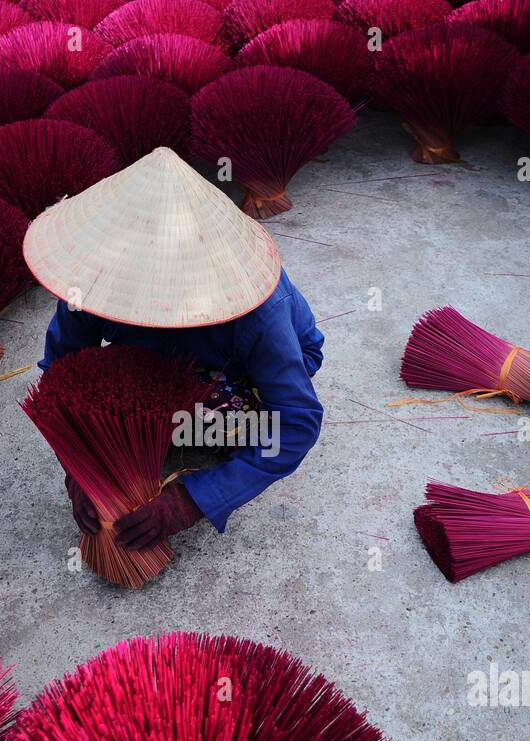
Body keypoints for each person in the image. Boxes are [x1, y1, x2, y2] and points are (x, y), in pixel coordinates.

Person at [23, 147, 325, 551]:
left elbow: (297, 422)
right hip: (160, 357)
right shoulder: (93, 280)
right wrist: (78, 466)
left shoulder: (261, 313)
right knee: (106, 389)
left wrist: (194, 500)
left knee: (217, 419)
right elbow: (60, 375)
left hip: (234, 367)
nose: (146, 302)